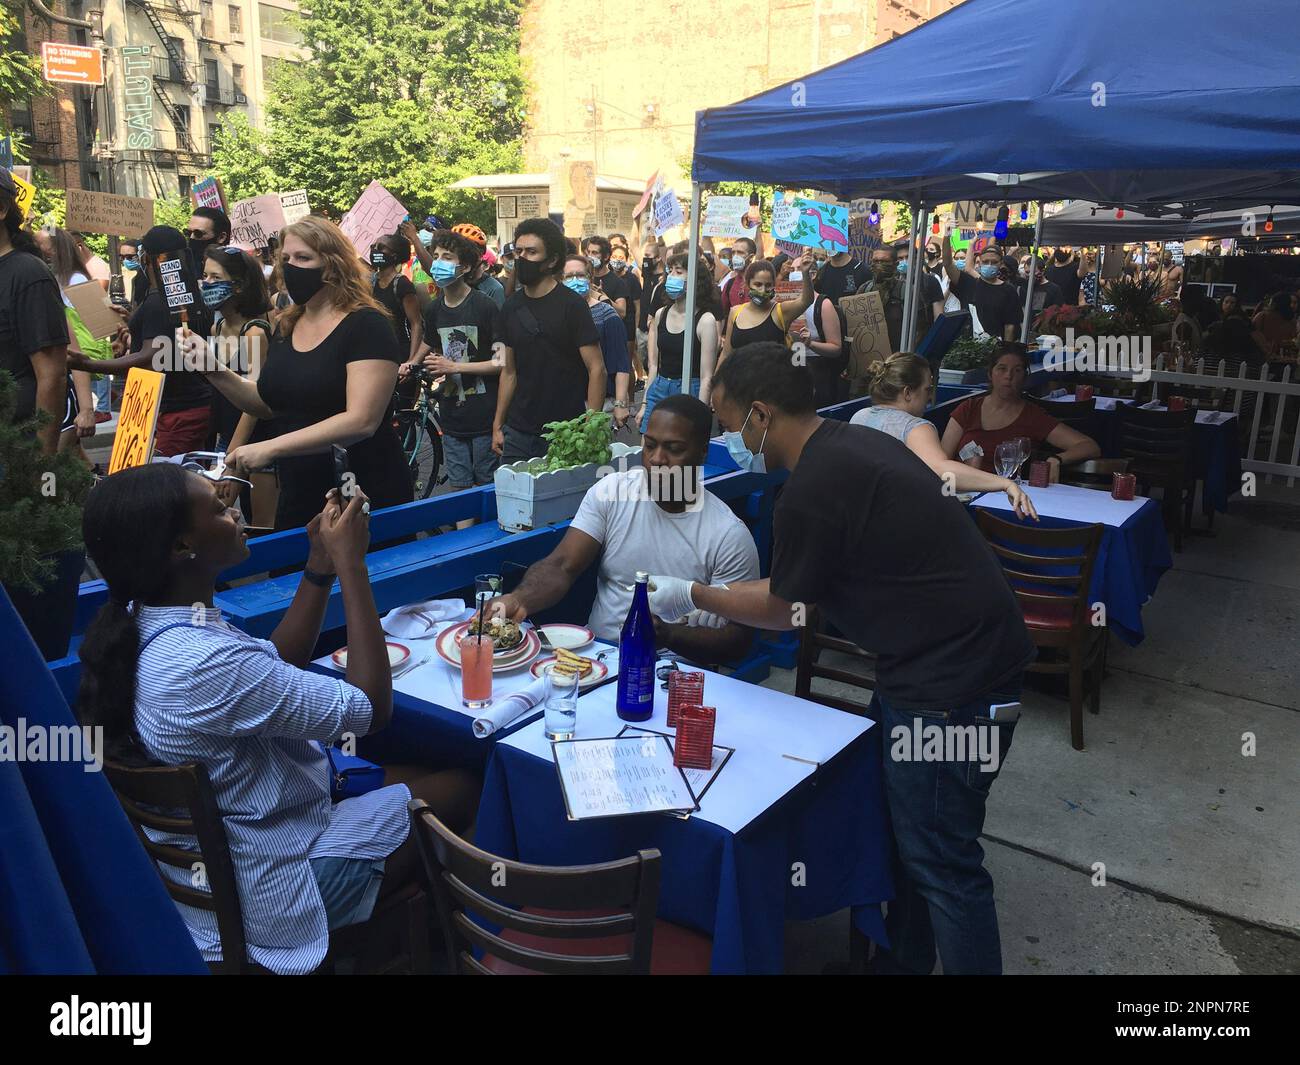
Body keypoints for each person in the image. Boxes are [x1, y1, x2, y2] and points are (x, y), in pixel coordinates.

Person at [643, 342, 1035, 975]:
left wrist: (689, 593)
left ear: (761, 414)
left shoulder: (815, 485)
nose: (731, 439)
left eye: (729, 421)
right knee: (905, 841)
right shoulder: (855, 443)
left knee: (941, 858)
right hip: (930, 666)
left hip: (954, 685)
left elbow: (781, 607)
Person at [75, 464, 478, 974]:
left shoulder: (146, 626)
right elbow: (372, 710)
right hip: (274, 894)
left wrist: (319, 568)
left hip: (230, 861)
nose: (237, 511)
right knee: (465, 783)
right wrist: (354, 565)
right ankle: (445, 948)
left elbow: (273, 664)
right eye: (220, 509)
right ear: (182, 547)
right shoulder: (201, 663)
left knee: (417, 777)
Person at [490, 394, 759, 662]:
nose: (656, 459)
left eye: (673, 449)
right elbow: (562, 565)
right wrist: (520, 599)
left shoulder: (728, 535)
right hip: (596, 657)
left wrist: (668, 635)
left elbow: (737, 640)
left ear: (702, 452)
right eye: (649, 445)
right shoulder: (612, 492)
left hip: (672, 673)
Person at [208, 215, 413, 529]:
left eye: (303, 258)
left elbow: (362, 420)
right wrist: (211, 370)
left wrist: (271, 447)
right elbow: (267, 402)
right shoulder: (288, 325)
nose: (291, 266)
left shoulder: (367, 325)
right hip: (300, 490)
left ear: (333, 265)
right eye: (286, 258)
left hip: (357, 488)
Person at [67, 225, 214, 457]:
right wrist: (133, 326)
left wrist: (88, 364)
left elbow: (150, 356)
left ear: (147, 259)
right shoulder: (184, 295)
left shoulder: (158, 300)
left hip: (173, 411)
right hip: (186, 405)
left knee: (167, 483)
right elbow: (168, 340)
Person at [850, 353, 1037, 518]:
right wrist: (1004, 484)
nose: (930, 397)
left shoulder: (859, 417)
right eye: (927, 389)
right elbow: (942, 472)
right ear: (907, 392)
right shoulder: (916, 427)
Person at [492, 217, 606, 463]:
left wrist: (590, 427)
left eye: (531, 252)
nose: (522, 258)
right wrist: (498, 424)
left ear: (552, 260)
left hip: (564, 431)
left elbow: (596, 368)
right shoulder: (510, 307)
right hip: (518, 432)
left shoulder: (572, 305)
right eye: (518, 251)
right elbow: (508, 371)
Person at [414, 229, 502, 523]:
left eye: (446, 257)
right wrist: (412, 363)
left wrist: (455, 368)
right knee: (460, 489)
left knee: (485, 488)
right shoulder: (435, 308)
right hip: (451, 417)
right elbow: (429, 341)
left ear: (464, 267)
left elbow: (502, 362)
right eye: (436, 256)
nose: (438, 262)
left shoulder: (485, 306)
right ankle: (464, 543)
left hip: (484, 417)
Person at [942, 341, 1099, 476]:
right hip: (960, 493)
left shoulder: (1032, 416)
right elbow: (940, 461)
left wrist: (1057, 459)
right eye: (1002, 369)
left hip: (1006, 497)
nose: (1008, 376)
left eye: (1016, 370)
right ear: (990, 373)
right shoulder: (968, 409)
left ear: (1024, 376)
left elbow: (1089, 446)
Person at [1, 173, 69, 456]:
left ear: (2, 208)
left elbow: (52, 375)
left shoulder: (28, 274)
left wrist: (42, 467)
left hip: (16, 454)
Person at [201, 246, 273, 457]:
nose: (207, 283)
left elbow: (254, 404)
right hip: (225, 437)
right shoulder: (217, 327)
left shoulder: (254, 333)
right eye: (205, 275)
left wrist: (231, 456)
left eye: (215, 277)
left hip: (254, 441)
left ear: (239, 285)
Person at [34, 226, 99, 455]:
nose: (42, 250)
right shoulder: (50, 279)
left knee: (50, 473)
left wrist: (86, 409)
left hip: (69, 380)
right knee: (73, 464)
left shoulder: (71, 279)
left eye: (44, 244)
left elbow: (73, 340)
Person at [639, 252, 719, 430]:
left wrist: (701, 413)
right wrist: (645, 403)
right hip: (660, 387)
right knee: (648, 443)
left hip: (689, 389)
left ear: (695, 280)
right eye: (671, 271)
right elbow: (653, 365)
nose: (672, 276)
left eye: (679, 271)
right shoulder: (661, 314)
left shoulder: (706, 320)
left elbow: (707, 377)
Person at [562, 253, 632, 433]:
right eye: (569, 277)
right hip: (564, 404)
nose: (575, 280)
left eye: (580, 275)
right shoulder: (556, 313)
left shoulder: (607, 314)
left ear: (590, 278)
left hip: (599, 405)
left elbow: (621, 364)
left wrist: (620, 403)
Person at [718, 253, 815, 367]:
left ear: (774, 285)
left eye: (768, 285)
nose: (763, 290)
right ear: (748, 284)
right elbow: (726, 353)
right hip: (740, 382)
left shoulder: (780, 311)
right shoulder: (735, 312)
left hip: (772, 382)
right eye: (758, 284)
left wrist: (805, 274)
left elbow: (806, 300)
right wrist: (715, 382)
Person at [942, 235, 1022, 341]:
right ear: (979, 262)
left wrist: (1005, 351)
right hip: (967, 348)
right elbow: (948, 264)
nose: (989, 265)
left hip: (995, 349)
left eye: (994, 262)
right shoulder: (968, 283)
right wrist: (947, 237)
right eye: (985, 261)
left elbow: (1010, 325)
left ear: (1001, 264)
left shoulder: (1008, 291)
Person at [368, 231, 422, 368]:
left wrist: (411, 361)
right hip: (375, 352)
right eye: (373, 247)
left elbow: (416, 324)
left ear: (394, 255)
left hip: (400, 353)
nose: (375, 251)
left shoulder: (403, 285)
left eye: (380, 248)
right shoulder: (370, 282)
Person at [609, 242, 643, 380]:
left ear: (627, 259)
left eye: (621, 257)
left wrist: (636, 330)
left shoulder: (631, 279)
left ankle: (630, 398)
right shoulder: (607, 278)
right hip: (611, 324)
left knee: (626, 364)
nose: (617, 259)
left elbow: (637, 307)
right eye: (614, 256)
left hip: (627, 325)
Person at [582, 235, 628, 318]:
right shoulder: (582, 277)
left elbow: (622, 313)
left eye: (595, 253)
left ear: (606, 256)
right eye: (589, 252)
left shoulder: (617, 282)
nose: (590, 256)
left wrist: (603, 297)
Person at [1017, 255, 1064, 323]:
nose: (1030, 275)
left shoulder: (1054, 289)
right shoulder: (1024, 287)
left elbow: (1059, 313)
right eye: (1027, 272)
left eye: (1033, 272)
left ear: (1042, 271)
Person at [186, 206, 232, 275]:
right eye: (188, 232)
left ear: (221, 237)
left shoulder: (234, 269)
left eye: (198, 234)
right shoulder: (187, 268)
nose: (192, 238)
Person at [719, 236, 758, 314]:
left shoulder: (760, 283)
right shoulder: (730, 284)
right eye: (733, 253)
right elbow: (723, 314)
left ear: (751, 257)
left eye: (740, 252)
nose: (735, 257)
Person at [1251, 292, 1298, 357]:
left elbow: (1252, 334)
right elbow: (1294, 340)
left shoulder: (1262, 316)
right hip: (1283, 357)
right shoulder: (1292, 321)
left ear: (1274, 303)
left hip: (1261, 356)